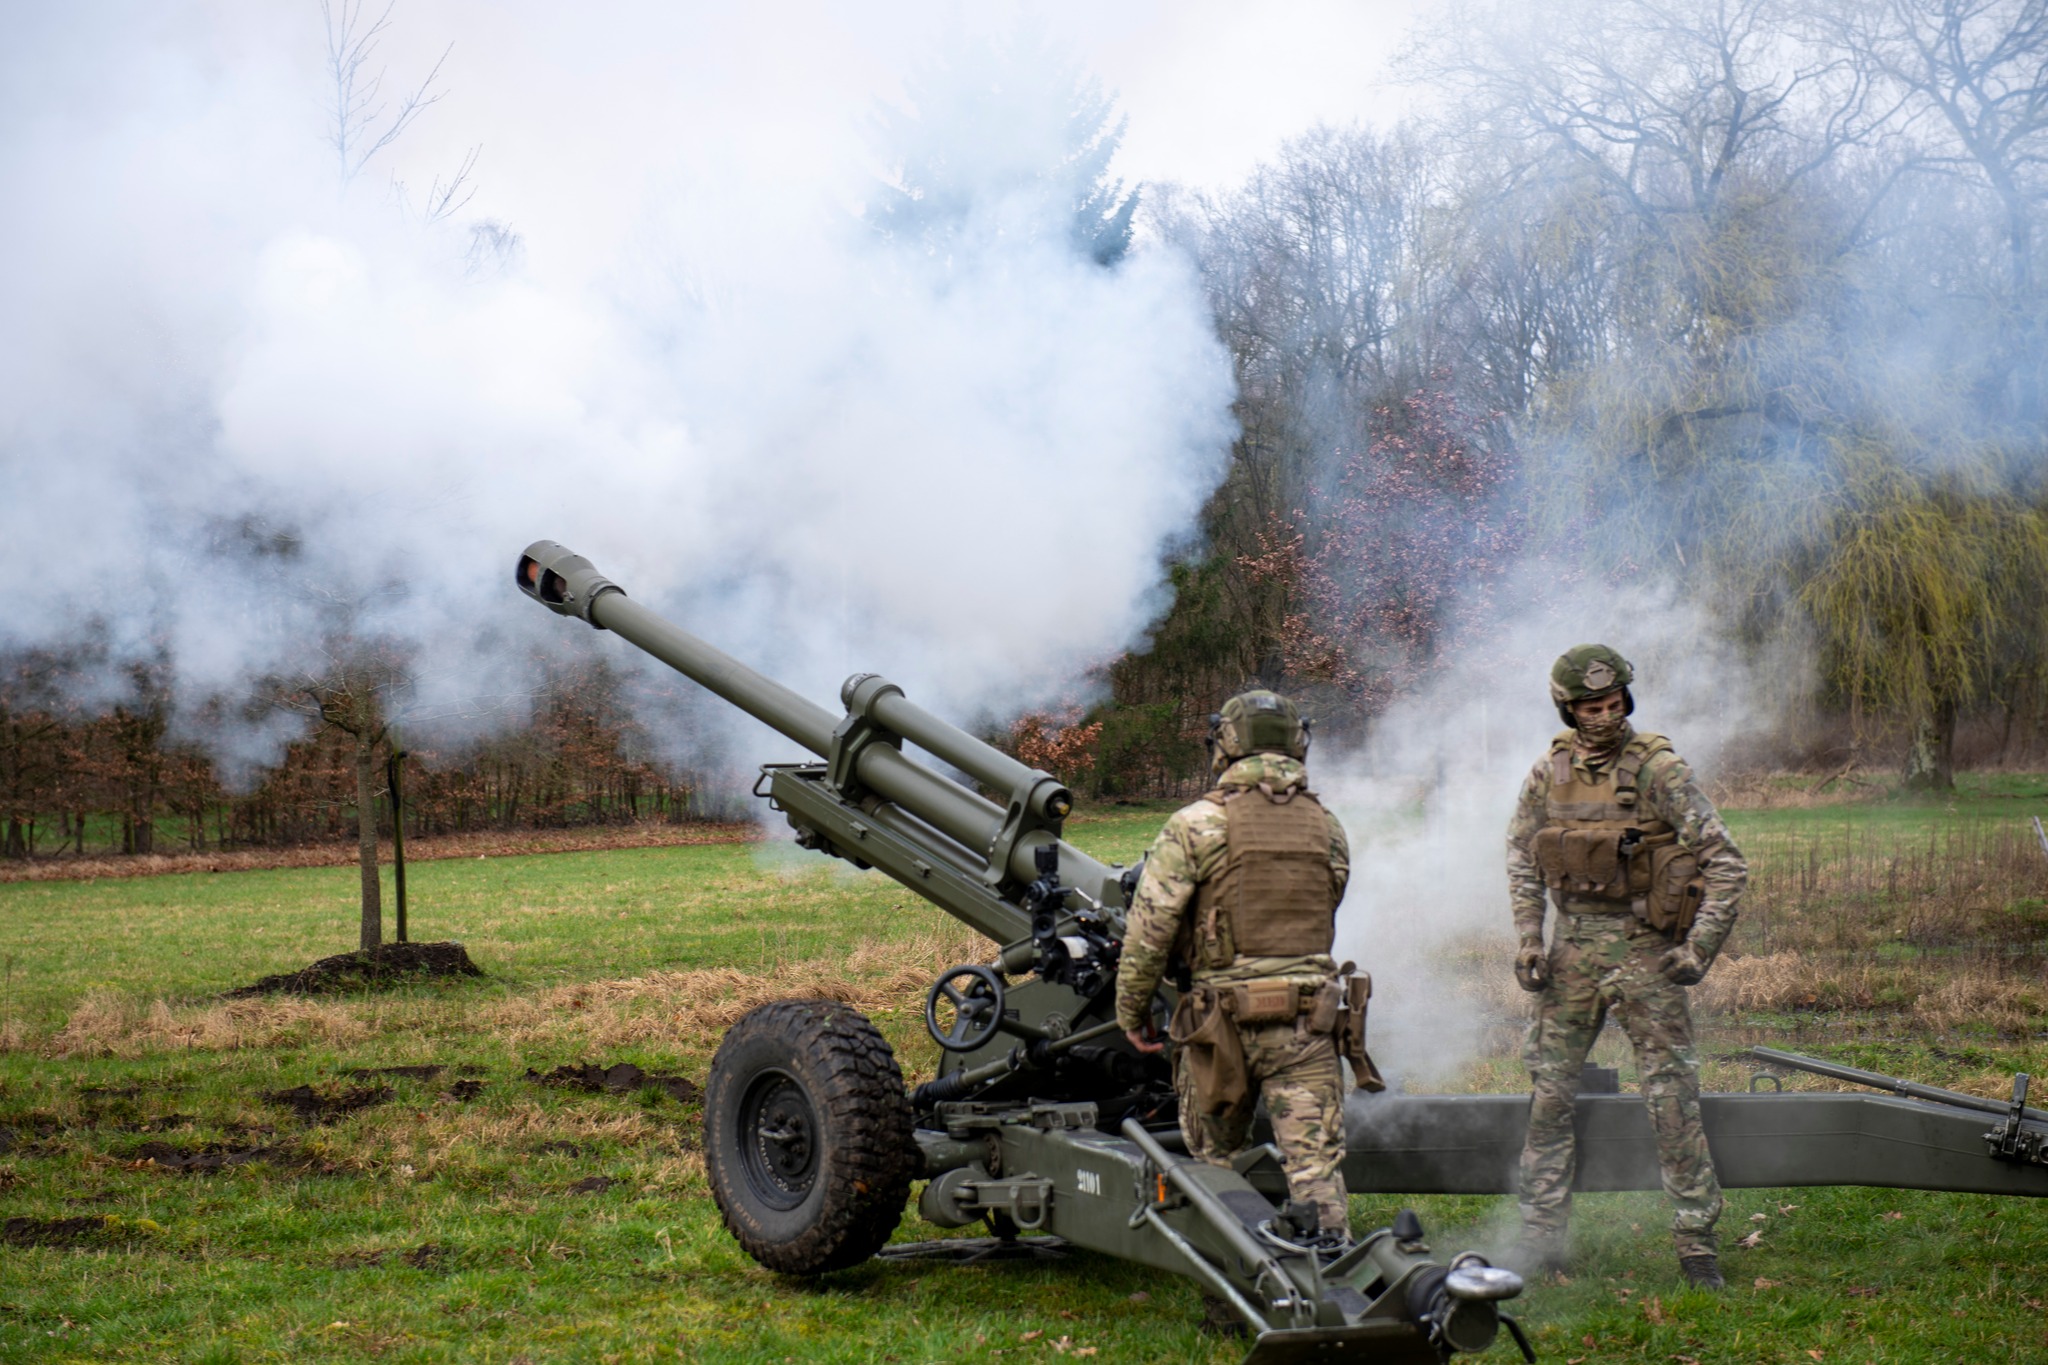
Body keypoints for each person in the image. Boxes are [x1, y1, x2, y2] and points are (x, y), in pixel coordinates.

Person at [1506, 644, 1747, 1291]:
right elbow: (1522, 856)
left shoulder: (1659, 769)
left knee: (1671, 1097)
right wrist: (1529, 938)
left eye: (1614, 703)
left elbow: (1726, 862)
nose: (1606, 716)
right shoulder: (1549, 772)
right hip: (1572, 951)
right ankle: (1541, 1239)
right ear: (1568, 709)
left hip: (1646, 951)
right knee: (1549, 1095)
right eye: (1591, 707)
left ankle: (1696, 1242)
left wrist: (1698, 949)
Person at [1114, 689, 1359, 1253]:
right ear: (1298, 744)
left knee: (1216, 1166)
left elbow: (1149, 931)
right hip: (1307, 1023)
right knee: (1315, 1168)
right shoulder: (1327, 826)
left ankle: (1229, 1289)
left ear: (1224, 744)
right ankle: (1331, 1280)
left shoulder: (1195, 824)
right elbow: (1331, 899)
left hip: (1218, 1026)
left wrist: (1132, 1010)